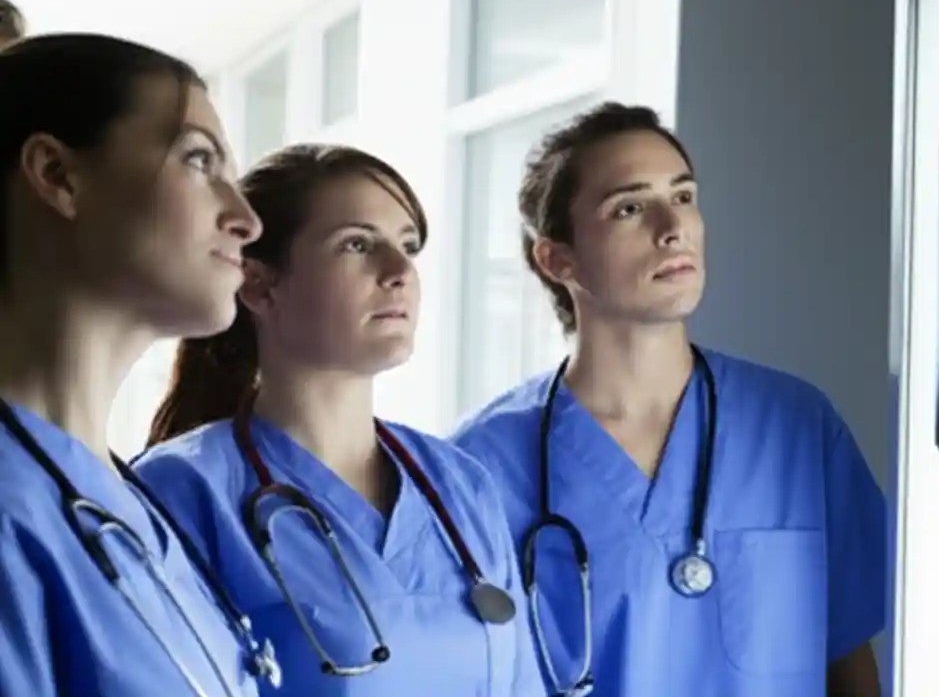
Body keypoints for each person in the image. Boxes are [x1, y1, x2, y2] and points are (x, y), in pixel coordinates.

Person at [449, 102, 887, 696]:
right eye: (629, 208)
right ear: (557, 260)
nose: (672, 226)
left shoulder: (796, 428)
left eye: (683, 196)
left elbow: (848, 657)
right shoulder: (480, 466)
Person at [134, 143, 544, 696]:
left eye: (408, 246)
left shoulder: (460, 485)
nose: (399, 272)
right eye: (357, 244)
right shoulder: (181, 492)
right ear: (259, 285)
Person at [0, 34, 270, 696]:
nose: (247, 220)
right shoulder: (14, 506)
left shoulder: (124, 502)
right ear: (58, 176)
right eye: (199, 159)